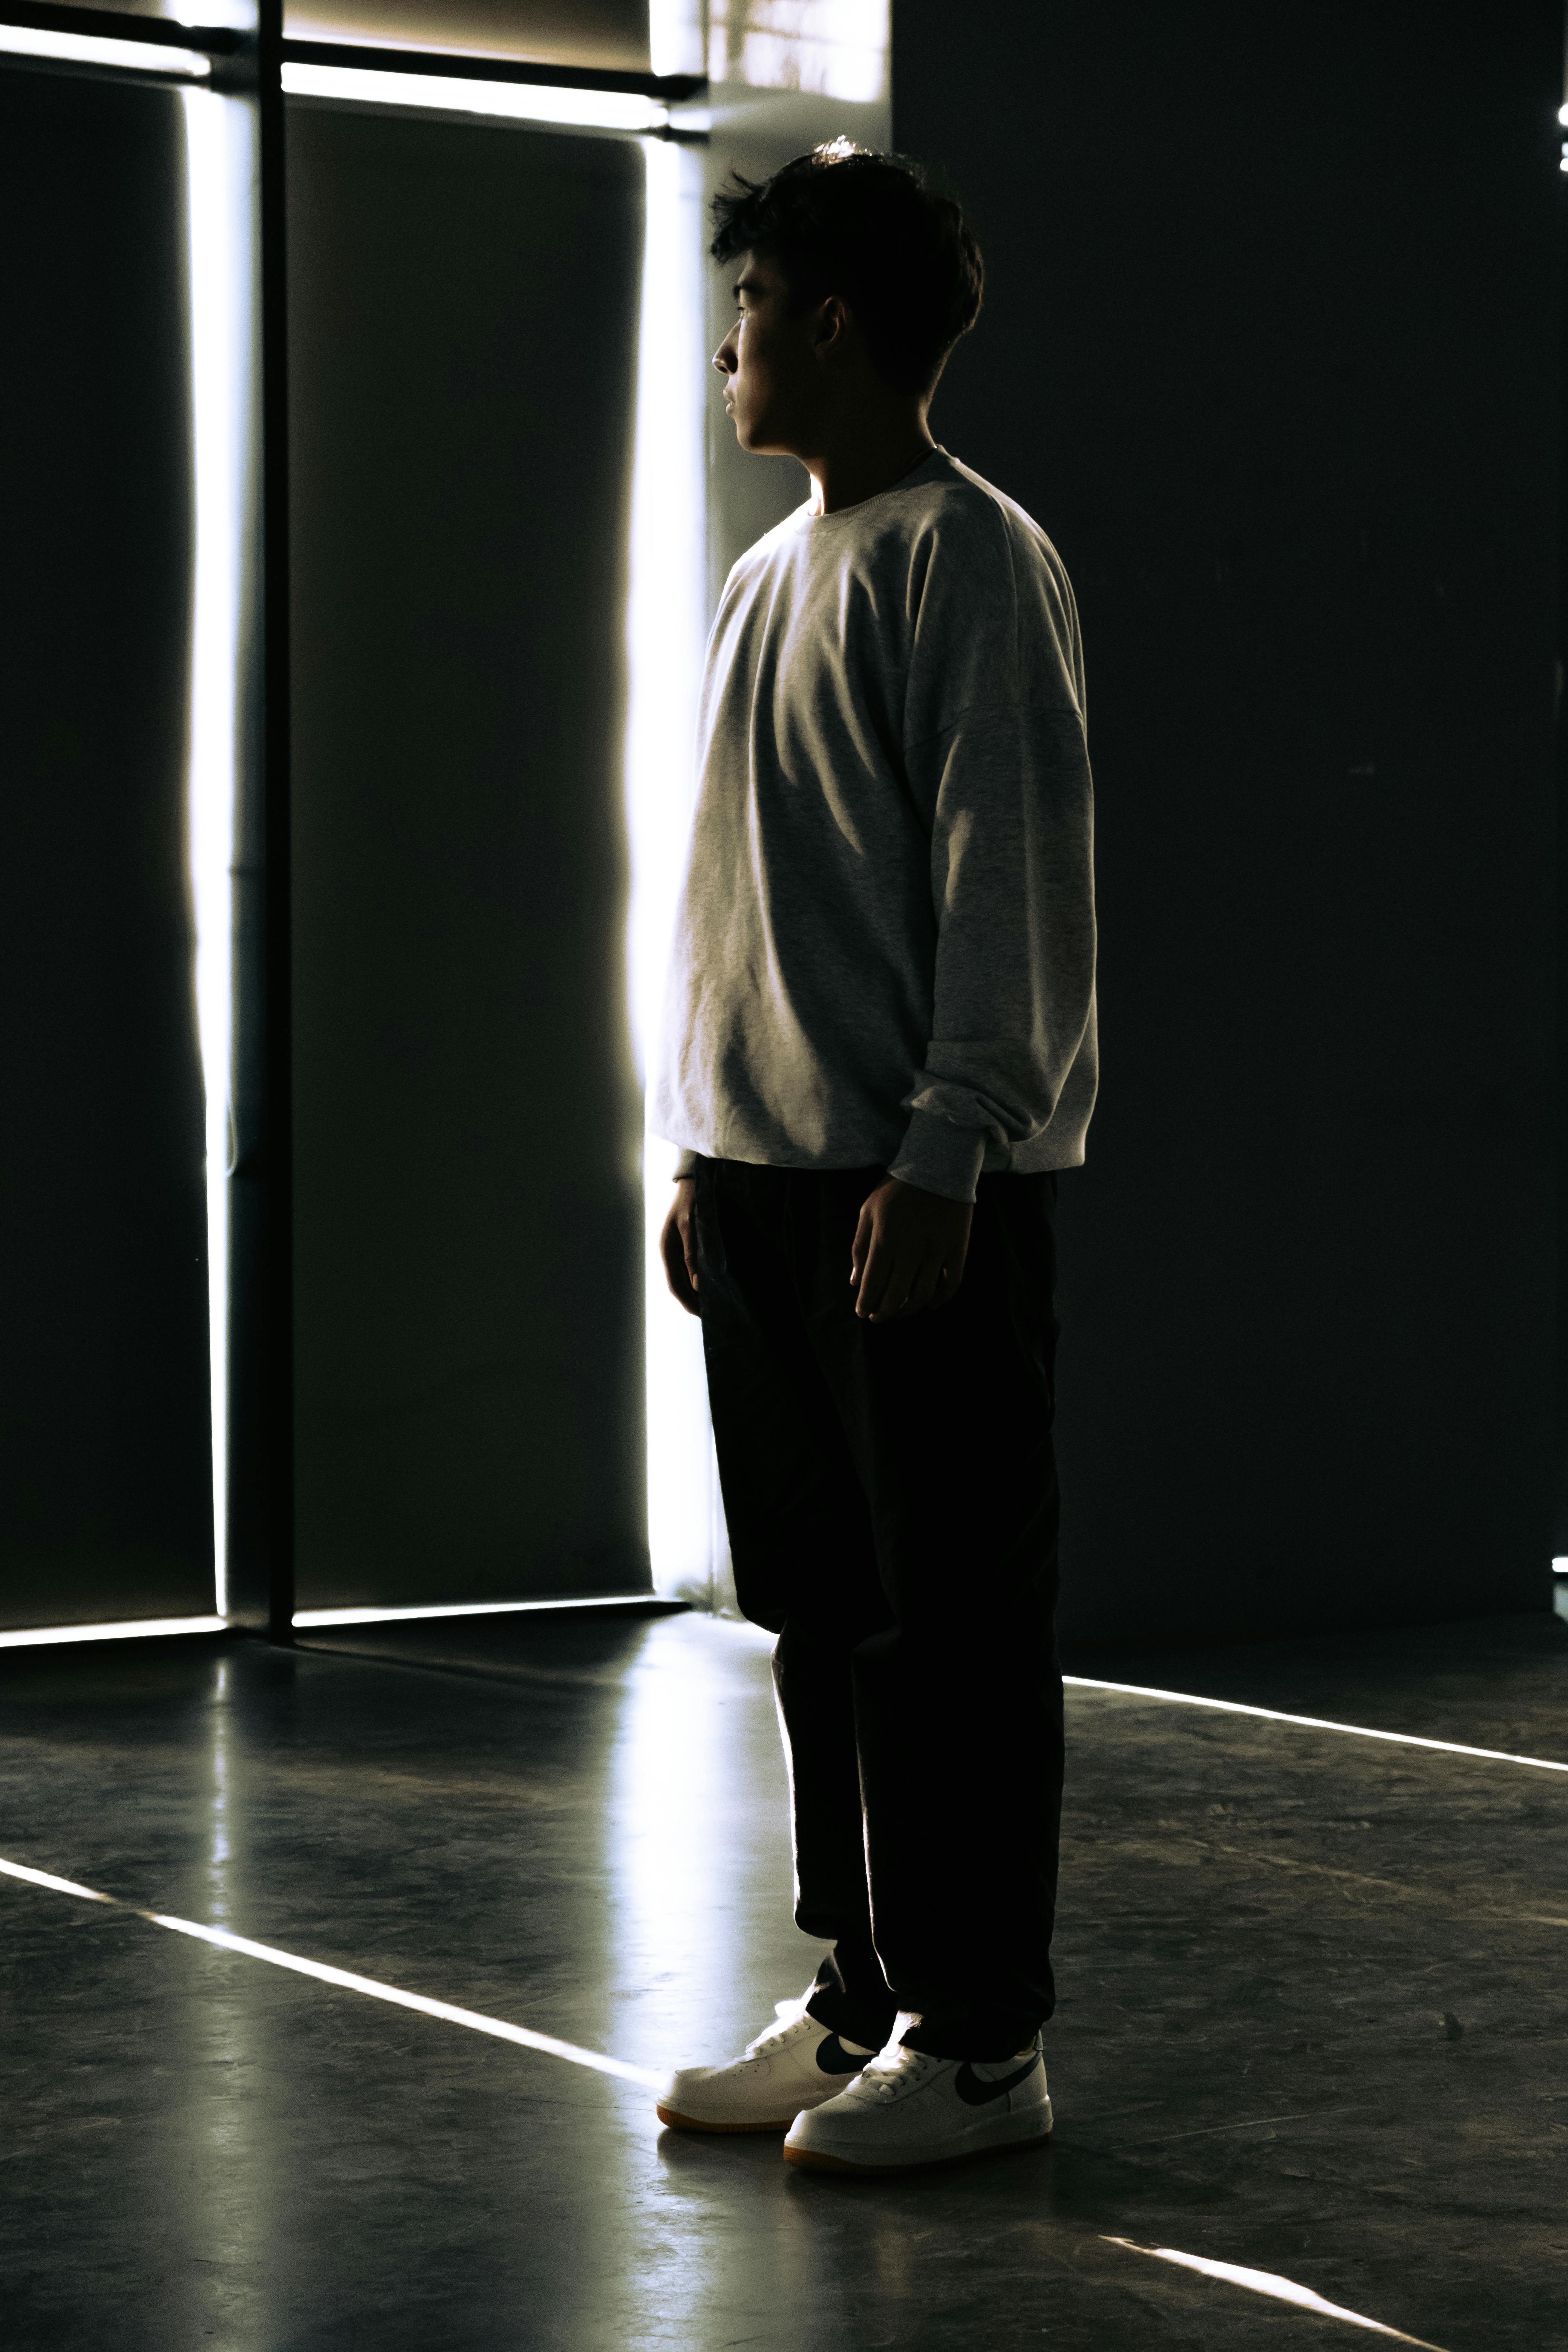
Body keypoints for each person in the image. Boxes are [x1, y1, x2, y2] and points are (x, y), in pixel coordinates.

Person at [649, 142, 1097, 2174]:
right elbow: (740, 898)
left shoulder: (970, 559)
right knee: (826, 1616)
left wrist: (948, 1150)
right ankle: (864, 1995)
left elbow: (1011, 883)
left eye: (750, 307)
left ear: (829, 320)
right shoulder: (766, 576)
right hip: (763, 1185)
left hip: (906, 1193)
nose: (728, 344)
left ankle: (983, 2043)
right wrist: (696, 1147)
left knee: (950, 1625)